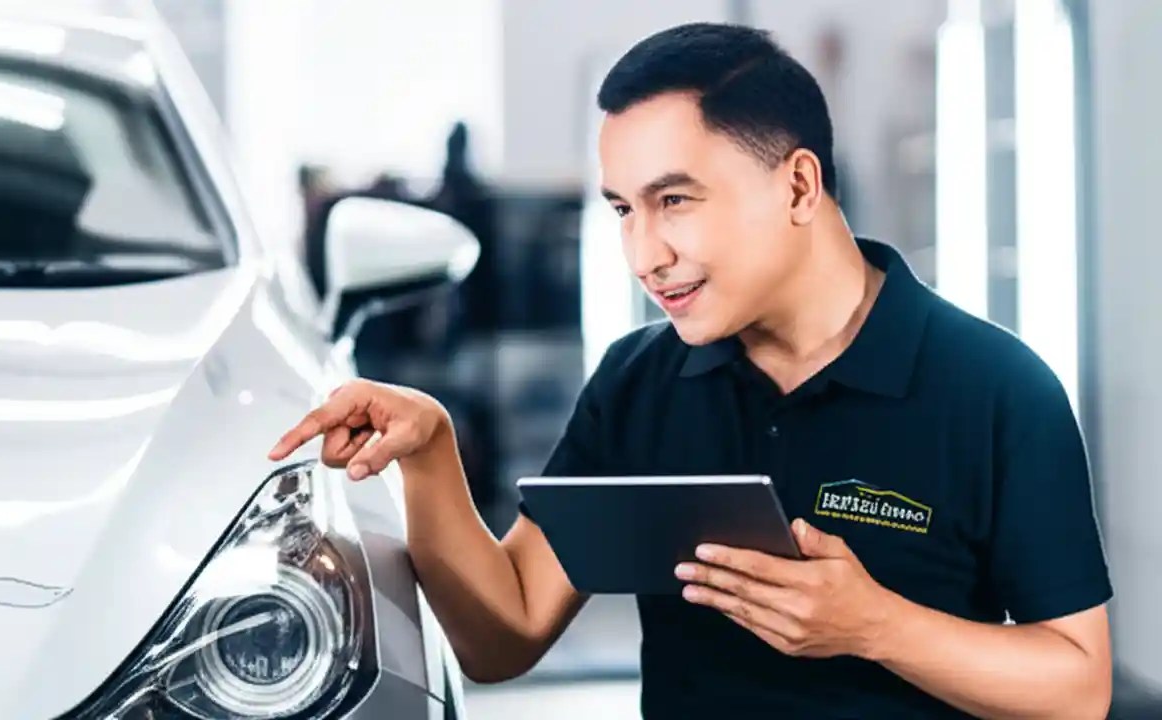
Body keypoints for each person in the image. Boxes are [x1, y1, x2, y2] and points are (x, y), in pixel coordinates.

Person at [269, 23, 1112, 719]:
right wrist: (432, 454)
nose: (646, 253)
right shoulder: (640, 381)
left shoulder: (999, 389)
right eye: (624, 211)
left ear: (798, 187)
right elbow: (506, 633)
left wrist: (872, 625)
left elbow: (1077, 685)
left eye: (674, 201)